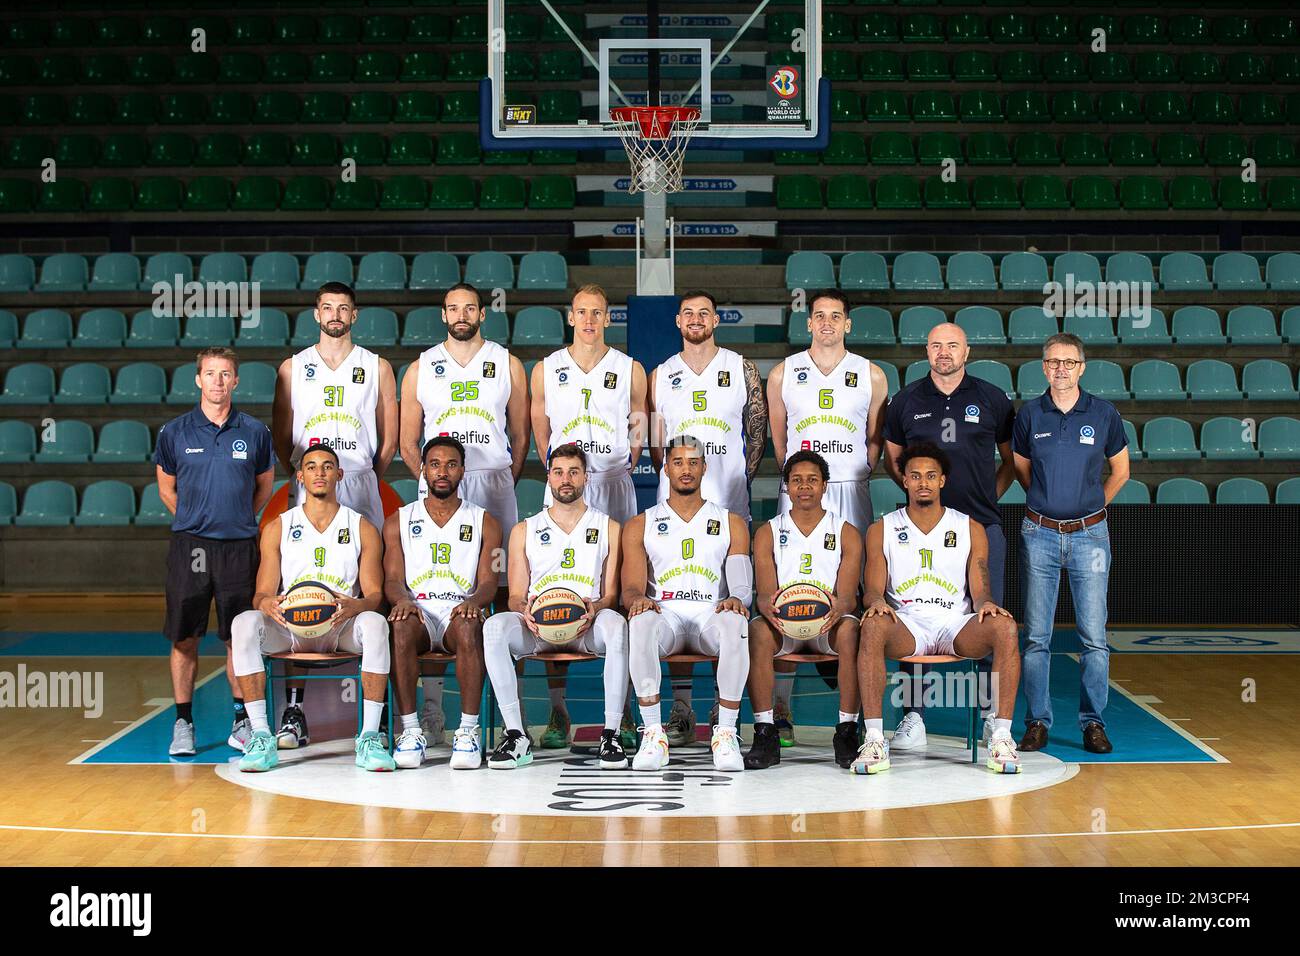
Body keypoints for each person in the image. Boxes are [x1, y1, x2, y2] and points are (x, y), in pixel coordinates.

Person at [270, 280, 399, 751]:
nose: (335, 315)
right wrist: (311, 476)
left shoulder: (377, 366)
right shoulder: (292, 367)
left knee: (371, 591)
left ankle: (380, 718)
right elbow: (283, 436)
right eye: (328, 307)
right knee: (300, 590)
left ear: (355, 315)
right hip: (310, 481)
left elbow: (388, 438)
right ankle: (294, 710)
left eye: (343, 308)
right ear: (316, 314)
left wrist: (361, 473)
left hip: (360, 479)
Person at [399, 282, 528, 743]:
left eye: (469, 307)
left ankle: (505, 717)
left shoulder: (507, 363)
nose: (461, 314)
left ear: (481, 313)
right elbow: (406, 442)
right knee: (432, 585)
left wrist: (502, 477)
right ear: (443, 314)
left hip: (493, 479)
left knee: (493, 592)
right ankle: (431, 711)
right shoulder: (420, 368)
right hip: (441, 480)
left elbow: (521, 434)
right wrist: (439, 479)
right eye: (452, 307)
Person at [882, 321, 1017, 751]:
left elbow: (1012, 461)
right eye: (936, 344)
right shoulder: (905, 400)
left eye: (952, 345)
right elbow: (894, 461)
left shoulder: (992, 398)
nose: (944, 352)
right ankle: (913, 717)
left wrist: (976, 508)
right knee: (913, 614)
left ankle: (992, 717)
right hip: (920, 531)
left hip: (981, 525)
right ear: (926, 350)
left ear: (967, 350)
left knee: (988, 617)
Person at [854, 443, 1022, 776]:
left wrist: (987, 603)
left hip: (954, 624)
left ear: (943, 480)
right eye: (915, 476)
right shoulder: (882, 529)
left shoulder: (970, 527)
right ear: (904, 481)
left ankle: (1001, 735)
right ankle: (874, 739)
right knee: (871, 626)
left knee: (1004, 627)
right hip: (907, 625)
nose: (923, 483)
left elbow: (980, 586)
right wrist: (875, 602)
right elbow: (873, 588)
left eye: (931, 476)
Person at [765, 288, 887, 747]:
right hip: (801, 490)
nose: (828, 323)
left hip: (851, 490)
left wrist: (857, 469)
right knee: (788, 590)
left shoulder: (872, 375)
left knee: (850, 597)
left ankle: (852, 715)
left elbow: (875, 439)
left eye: (836, 316)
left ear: (847, 324)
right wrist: (799, 474)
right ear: (809, 323)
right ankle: (780, 709)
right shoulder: (783, 373)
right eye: (820, 316)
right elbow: (780, 439)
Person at [529, 284, 646, 750]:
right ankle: (559, 711)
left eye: (598, 313)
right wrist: (565, 475)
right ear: (570, 316)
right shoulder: (546, 369)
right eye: (583, 312)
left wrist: (619, 464)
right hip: (566, 484)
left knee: (621, 594)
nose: (591, 320)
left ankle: (627, 713)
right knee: (554, 590)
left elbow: (640, 426)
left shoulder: (630, 369)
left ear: (608, 319)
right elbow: (541, 432)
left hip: (614, 481)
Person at [647, 290, 766, 746]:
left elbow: (756, 436)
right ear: (678, 321)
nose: (697, 319)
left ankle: (723, 704)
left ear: (717, 319)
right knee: (678, 595)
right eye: (688, 313)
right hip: (674, 504)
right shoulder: (660, 375)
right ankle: (680, 708)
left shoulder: (741, 368)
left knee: (726, 604)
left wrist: (734, 479)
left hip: (728, 503)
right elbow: (658, 446)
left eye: (705, 312)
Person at [229, 445, 393, 772]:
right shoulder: (279, 527)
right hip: (292, 628)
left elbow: (374, 595)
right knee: (244, 623)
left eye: (328, 466)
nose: (320, 473)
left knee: (375, 623)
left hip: (340, 626)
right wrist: (267, 603)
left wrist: (355, 605)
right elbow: (261, 593)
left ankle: (371, 737)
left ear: (339, 475)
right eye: (312, 467)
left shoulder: (362, 528)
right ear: (300, 476)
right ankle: (261, 735)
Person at [154, 347, 275, 758]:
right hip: (190, 548)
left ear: (236, 381)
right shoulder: (174, 432)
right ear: (198, 379)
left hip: (240, 548)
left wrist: (235, 518)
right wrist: (196, 520)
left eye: (225, 375)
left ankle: (242, 720)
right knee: (184, 637)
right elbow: (166, 489)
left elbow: (264, 486)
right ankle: (183, 722)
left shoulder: (255, 432)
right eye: (210, 374)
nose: (218, 382)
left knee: (236, 639)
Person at [1012, 333, 1129, 755]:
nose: (1060, 368)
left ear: (1082, 367)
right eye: (1053, 362)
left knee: (1094, 637)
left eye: (1069, 362)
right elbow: (1023, 471)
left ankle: (1093, 723)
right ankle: (1037, 721)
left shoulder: (1103, 413)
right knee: (1037, 636)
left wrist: (1091, 507)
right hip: (1039, 533)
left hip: (1090, 536)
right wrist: (1051, 504)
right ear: (1043, 367)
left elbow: (1120, 471)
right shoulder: (1030, 415)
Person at [482, 443, 630, 770]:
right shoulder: (525, 530)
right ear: (549, 477)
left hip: (586, 625)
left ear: (586, 478)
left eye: (574, 472)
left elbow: (611, 595)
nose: (566, 479)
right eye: (559, 472)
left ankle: (611, 734)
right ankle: (516, 735)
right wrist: (525, 609)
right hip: (539, 628)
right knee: (493, 628)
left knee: (618, 626)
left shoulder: (609, 527)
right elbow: (516, 596)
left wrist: (596, 607)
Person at [621, 436, 752, 773]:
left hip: (711, 612)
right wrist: (637, 600)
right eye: (678, 462)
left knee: (737, 623)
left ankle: (724, 733)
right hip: (667, 615)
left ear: (704, 468)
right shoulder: (641, 523)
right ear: (665, 468)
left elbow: (740, 584)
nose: (686, 469)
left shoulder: (730, 521)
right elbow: (632, 587)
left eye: (693, 462)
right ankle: (653, 734)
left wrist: (737, 597)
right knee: (640, 622)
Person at [385, 436, 499, 770]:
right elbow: (392, 579)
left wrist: (475, 601)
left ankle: (467, 731)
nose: (442, 472)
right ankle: (410, 731)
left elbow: (490, 581)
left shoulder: (485, 521)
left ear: (463, 470)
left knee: (468, 625)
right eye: (434, 464)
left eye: (451, 464)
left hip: (457, 610)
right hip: (419, 610)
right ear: (422, 470)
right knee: (401, 627)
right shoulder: (399, 520)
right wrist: (403, 600)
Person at [745, 450, 863, 770]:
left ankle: (847, 730)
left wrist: (836, 608)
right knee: (757, 629)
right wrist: (771, 609)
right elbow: (766, 596)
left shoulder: (846, 532)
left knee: (852, 629)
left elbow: (848, 598)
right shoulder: (768, 531)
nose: (805, 486)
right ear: (787, 487)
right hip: (784, 626)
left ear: (825, 485)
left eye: (812, 480)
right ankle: (765, 731)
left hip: (829, 625)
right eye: (797, 480)